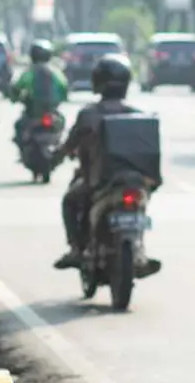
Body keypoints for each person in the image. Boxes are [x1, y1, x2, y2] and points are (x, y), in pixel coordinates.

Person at [51, 53, 158, 273]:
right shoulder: (138, 115)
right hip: (136, 181)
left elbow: (69, 145)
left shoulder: (89, 114)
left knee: (70, 202)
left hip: (99, 182)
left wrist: (56, 157)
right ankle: (139, 252)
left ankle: (76, 249)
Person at [9, 40, 71, 142]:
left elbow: (17, 87)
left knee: (19, 126)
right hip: (51, 110)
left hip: (34, 111)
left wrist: (15, 97)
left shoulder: (29, 72)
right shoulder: (56, 72)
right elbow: (64, 87)